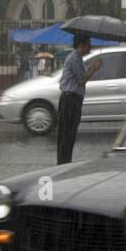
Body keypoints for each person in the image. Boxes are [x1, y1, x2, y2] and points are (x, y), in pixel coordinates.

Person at [55, 34, 103, 165]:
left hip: (74, 100)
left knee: (70, 135)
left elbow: (81, 78)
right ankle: (62, 164)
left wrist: (92, 68)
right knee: (66, 135)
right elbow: (81, 79)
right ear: (82, 45)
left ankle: (65, 162)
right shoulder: (74, 59)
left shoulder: (78, 59)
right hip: (69, 101)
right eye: (89, 44)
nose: (91, 48)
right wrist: (94, 68)